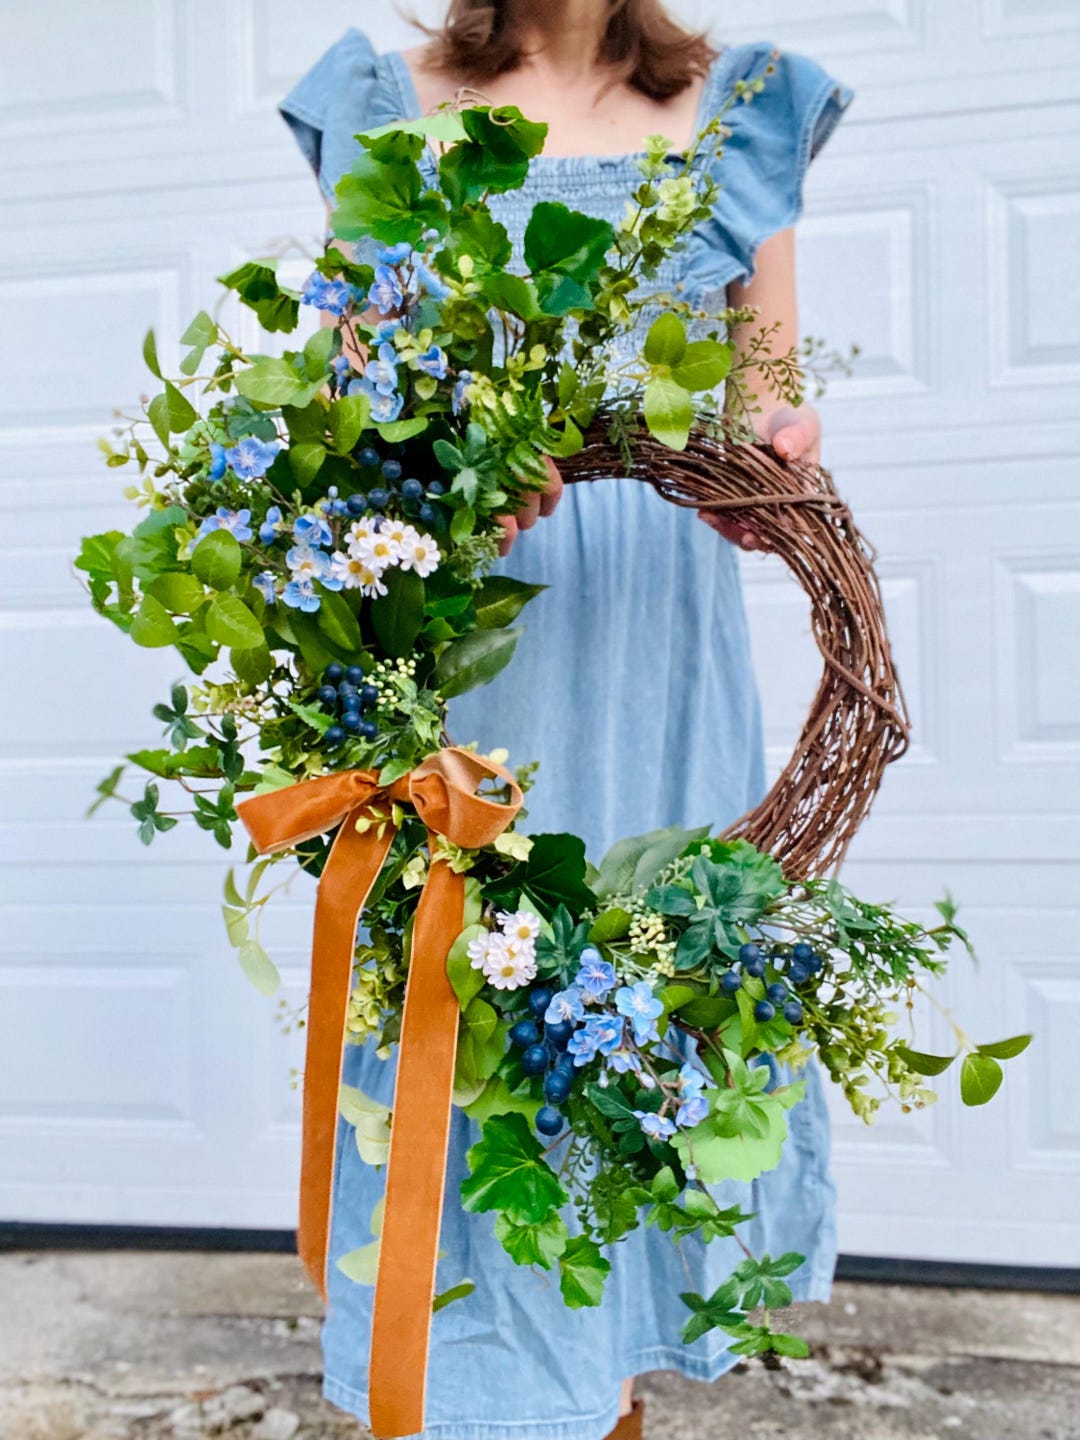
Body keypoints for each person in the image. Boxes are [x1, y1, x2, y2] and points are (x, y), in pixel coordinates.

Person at [279, 3, 851, 1435]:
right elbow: (350, 426)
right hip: (482, 660)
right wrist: (438, 470)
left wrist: (774, 442)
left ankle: (603, 1399)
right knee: (470, 1023)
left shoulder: (745, 108)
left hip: (658, 655)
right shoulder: (387, 103)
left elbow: (764, 395)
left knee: (640, 998)